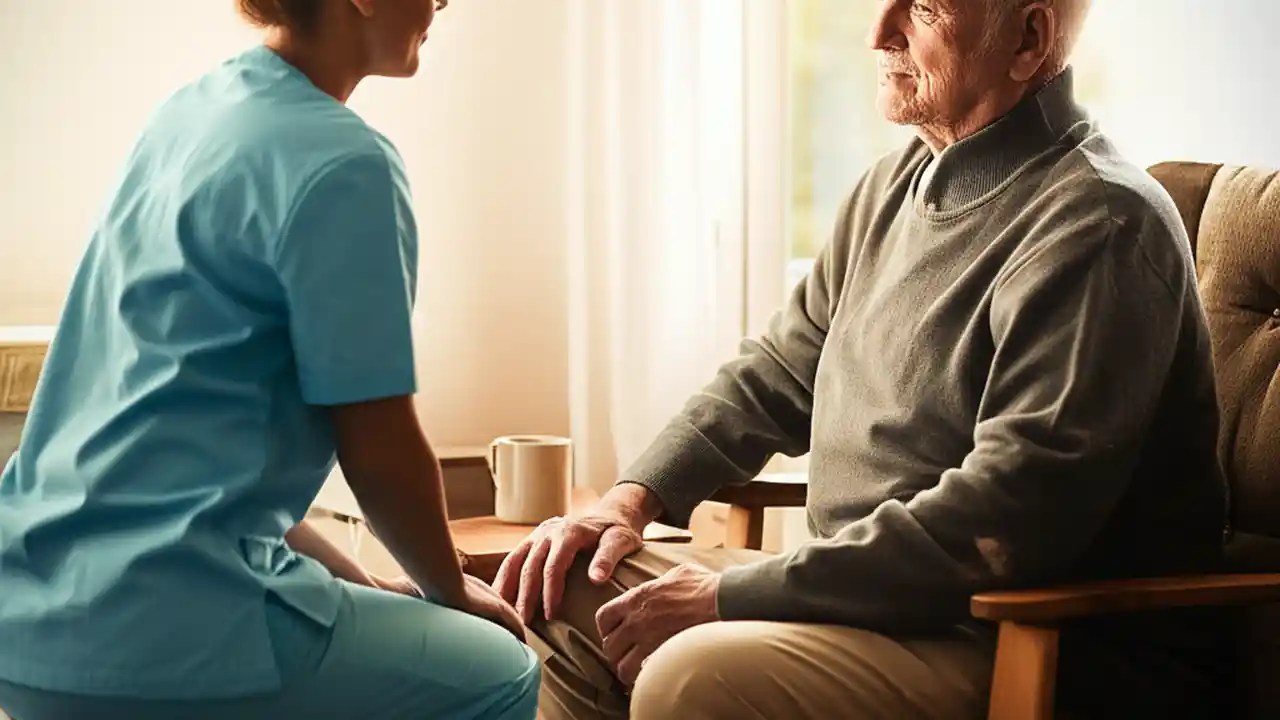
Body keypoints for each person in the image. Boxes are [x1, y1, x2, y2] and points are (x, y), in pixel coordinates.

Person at [496, 0, 1231, 718]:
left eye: (923, 9)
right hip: (867, 608)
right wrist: (630, 500)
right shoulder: (892, 185)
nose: (878, 30)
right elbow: (779, 374)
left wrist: (728, 598)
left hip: (1012, 635)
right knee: (557, 589)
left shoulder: (1099, 225)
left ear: (1028, 39)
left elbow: (1007, 519)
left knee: (690, 677)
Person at [0, 1, 539, 718]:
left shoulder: (191, 114)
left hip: (29, 621)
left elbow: (196, 467)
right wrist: (450, 588)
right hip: (160, 630)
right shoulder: (345, 163)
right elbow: (378, 449)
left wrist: (370, 588)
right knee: (502, 669)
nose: (444, 2)